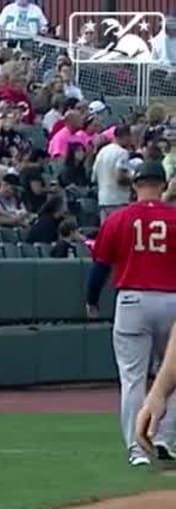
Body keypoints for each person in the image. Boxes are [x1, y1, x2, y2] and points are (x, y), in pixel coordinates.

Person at [91, 161, 176, 466]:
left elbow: (100, 266)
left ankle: (137, 449)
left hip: (131, 300)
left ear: (135, 186)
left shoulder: (119, 218)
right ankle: (164, 437)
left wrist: (91, 300)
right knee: (172, 374)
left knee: (132, 378)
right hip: (171, 301)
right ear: (164, 186)